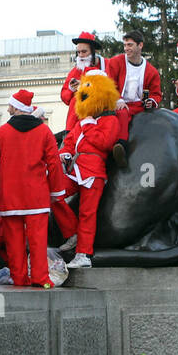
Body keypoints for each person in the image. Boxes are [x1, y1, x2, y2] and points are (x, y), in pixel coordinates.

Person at [0, 89, 67, 287]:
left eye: (10, 105)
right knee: (38, 241)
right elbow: (54, 163)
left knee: (14, 242)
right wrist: (57, 192)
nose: (8, 108)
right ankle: (41, 278)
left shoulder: (1, 132)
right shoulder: (44, 131)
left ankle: (19, 277)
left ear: (15, 107)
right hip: (37, 195)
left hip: (11, 196)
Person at [57, 70, 122, 270]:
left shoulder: (110, 120)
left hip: (93, 172)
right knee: (53, 194)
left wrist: (87, 125)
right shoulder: (82, 121)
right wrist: (64, 154)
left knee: (88, 214)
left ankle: (83, 254)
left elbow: (104, 143)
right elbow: (68, 142)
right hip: (74, 169)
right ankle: (71, 232)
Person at [103, 29, 161, 166]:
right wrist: (118, 99)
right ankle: (121, 146)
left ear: (140, 46)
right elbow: (109, 84)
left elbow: (156, 93)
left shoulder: (151, 71)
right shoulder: (115, 62)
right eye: (125, 45)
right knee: (122, 113)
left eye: (130, 45)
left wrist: (151, 102)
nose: (126, 48)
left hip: (138, 105)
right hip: (118, 103)